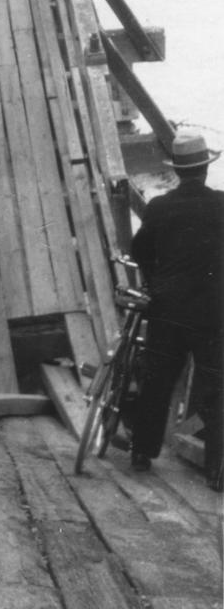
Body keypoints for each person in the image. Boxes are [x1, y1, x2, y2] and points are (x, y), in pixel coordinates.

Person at [129, 133, 224, 490]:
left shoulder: (159, 207)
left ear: (178, 171)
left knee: (157, 380)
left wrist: (156, 281)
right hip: (213, 311)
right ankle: (217, 468)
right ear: (204, 168)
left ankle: (142, 452)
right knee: (217, 387)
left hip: (168, 309)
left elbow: (139, 250)